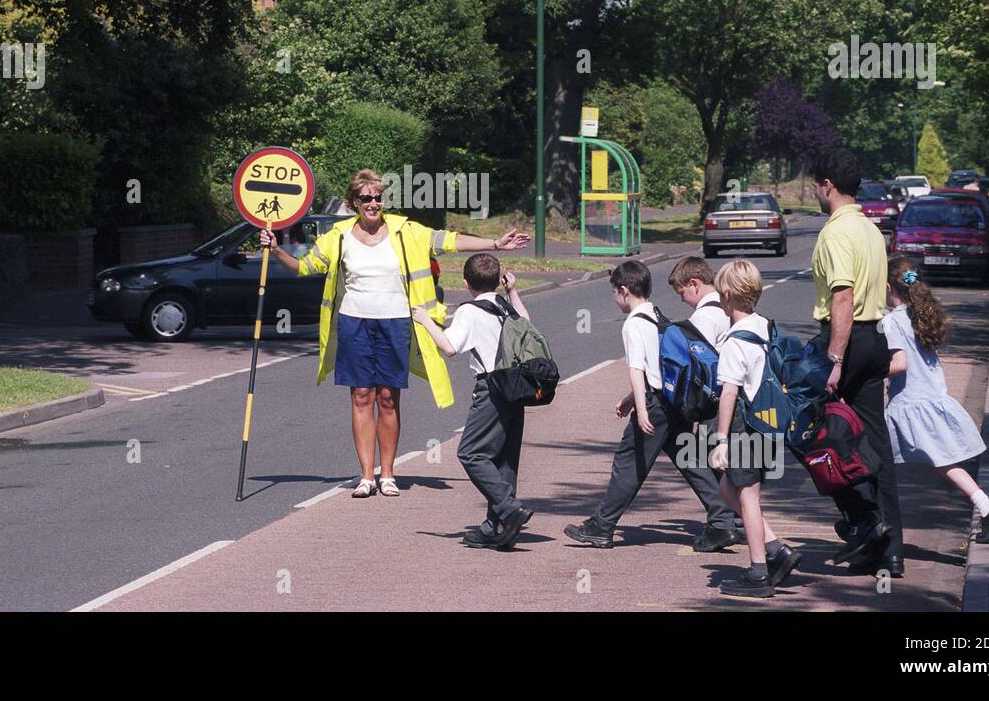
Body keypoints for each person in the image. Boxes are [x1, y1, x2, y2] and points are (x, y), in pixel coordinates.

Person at [261, 168, 528, 497]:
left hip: (396, 323)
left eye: (377, 197)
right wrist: (276, 250)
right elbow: (305, 266)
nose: (373, 203)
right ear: (354, 202)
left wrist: (495, 244)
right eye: (365, 198)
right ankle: (365, 476)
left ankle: (387, 474)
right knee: (361, 397)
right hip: (354, 323)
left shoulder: (406, 230)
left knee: (387, 398)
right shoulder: (339, 235)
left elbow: (447, 240)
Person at [562, 260, 737, 550]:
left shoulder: (633, 323)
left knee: (628, 463)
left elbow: (637, 369)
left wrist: (640, 408)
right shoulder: (658, 316)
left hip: (654, 404)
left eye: (614, 292)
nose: (614, 298)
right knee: (690, 460)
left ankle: (602, 526)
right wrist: (631, 399)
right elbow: (661, 362)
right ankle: (722, 521)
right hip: (672, 401)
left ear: (623, 290)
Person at [809, 149, 902, 574]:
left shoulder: (834, 234)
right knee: (875, 439)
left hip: (845, 339)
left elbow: (842, 299)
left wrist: (833, 359)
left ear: (827, 184)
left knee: (812, 428)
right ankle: (891, 549)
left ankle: (863, 520)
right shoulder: (871, 229)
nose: (814, 190)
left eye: (815, 184)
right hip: (875, 337)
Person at [881, 256, 989, 545]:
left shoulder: (891, 322)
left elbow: (900, 363)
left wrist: (867, 370)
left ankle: (872, 523)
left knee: (876, 461)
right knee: (942, 462)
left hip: (910, 402)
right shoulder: (921, 313)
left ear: (889, 287)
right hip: (930, 397)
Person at [413, 254, 534, 549]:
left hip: (491, 387)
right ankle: (498, 527)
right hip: (515, 386)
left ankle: (508, 508)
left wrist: (425, 320)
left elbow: (450, 347)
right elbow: (527, 323)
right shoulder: (504, 305)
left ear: (466, 283)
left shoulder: (470, 310)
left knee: (471, 453)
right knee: (504, 458)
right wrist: (513, 291)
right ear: (498, 279)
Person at [709, 259, 801, 598]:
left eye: (720, 293)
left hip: (748, 427)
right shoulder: (765, 326)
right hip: (770, 423)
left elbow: (729, 392)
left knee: (747, 496)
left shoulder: (735, 341)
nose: (719, 299)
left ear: (729, 295)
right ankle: (776, 549)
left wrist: (721, 440)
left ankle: (758, 572)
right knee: (727, 490)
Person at [667, 255, 745, 547]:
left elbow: (693, 361)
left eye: (682, 293)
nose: (683, 300)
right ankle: (736, 518)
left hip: (717, 396)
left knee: (717, 456)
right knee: (731, 456)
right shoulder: (728, 308)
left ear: (694, 284)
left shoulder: (702, 317)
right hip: (738, 391)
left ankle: (732, 520)